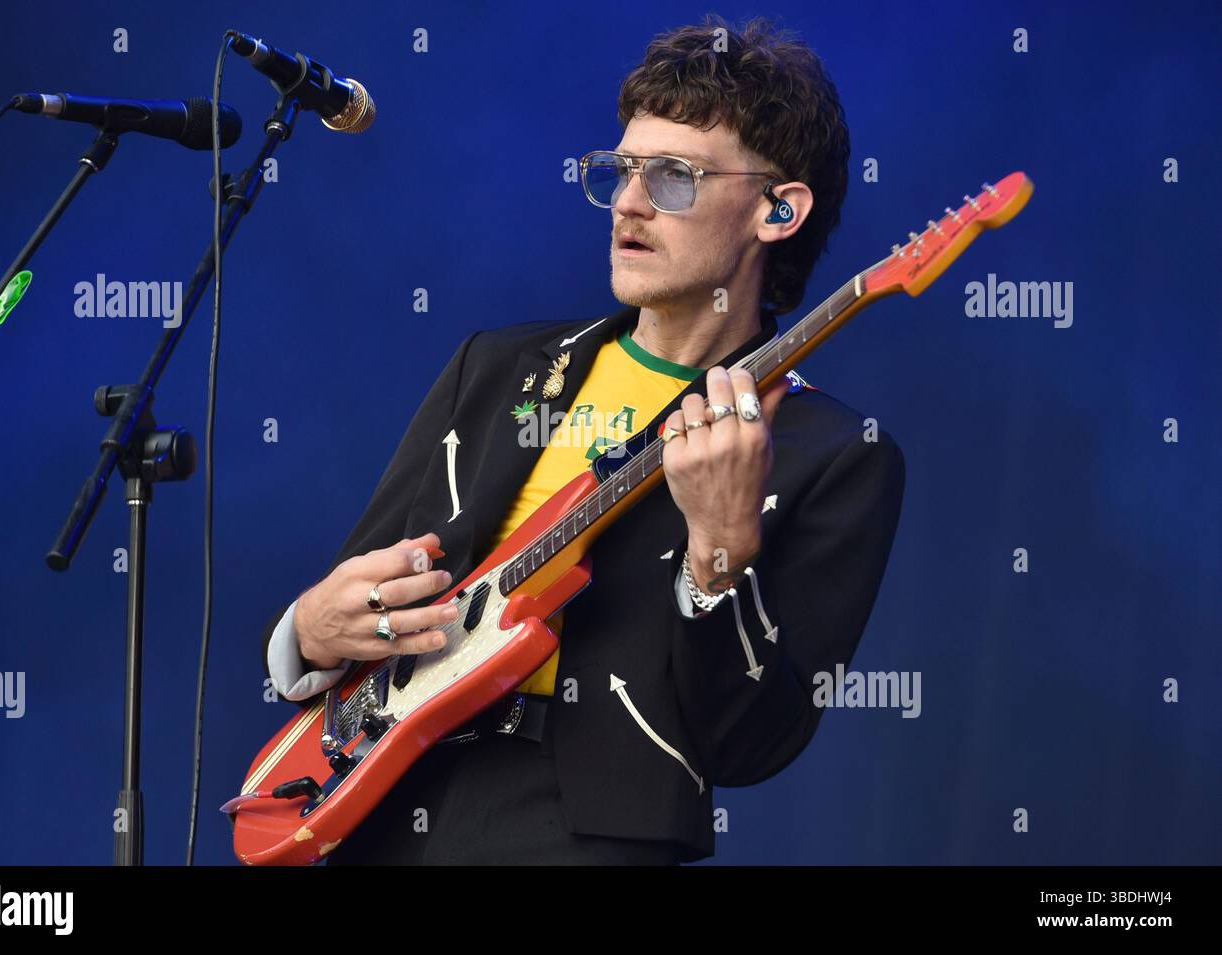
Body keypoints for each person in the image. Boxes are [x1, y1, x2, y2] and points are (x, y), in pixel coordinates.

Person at [261, 15, 904, 865]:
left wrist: (720, 552)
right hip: (385, 807)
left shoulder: (833, 449)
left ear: (777, 209)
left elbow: (752, 743)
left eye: (674, 177)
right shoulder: (496, 368)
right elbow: (361, 596)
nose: (630, 203)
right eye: (622, 172)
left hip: (587, 830)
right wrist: (302, 633)